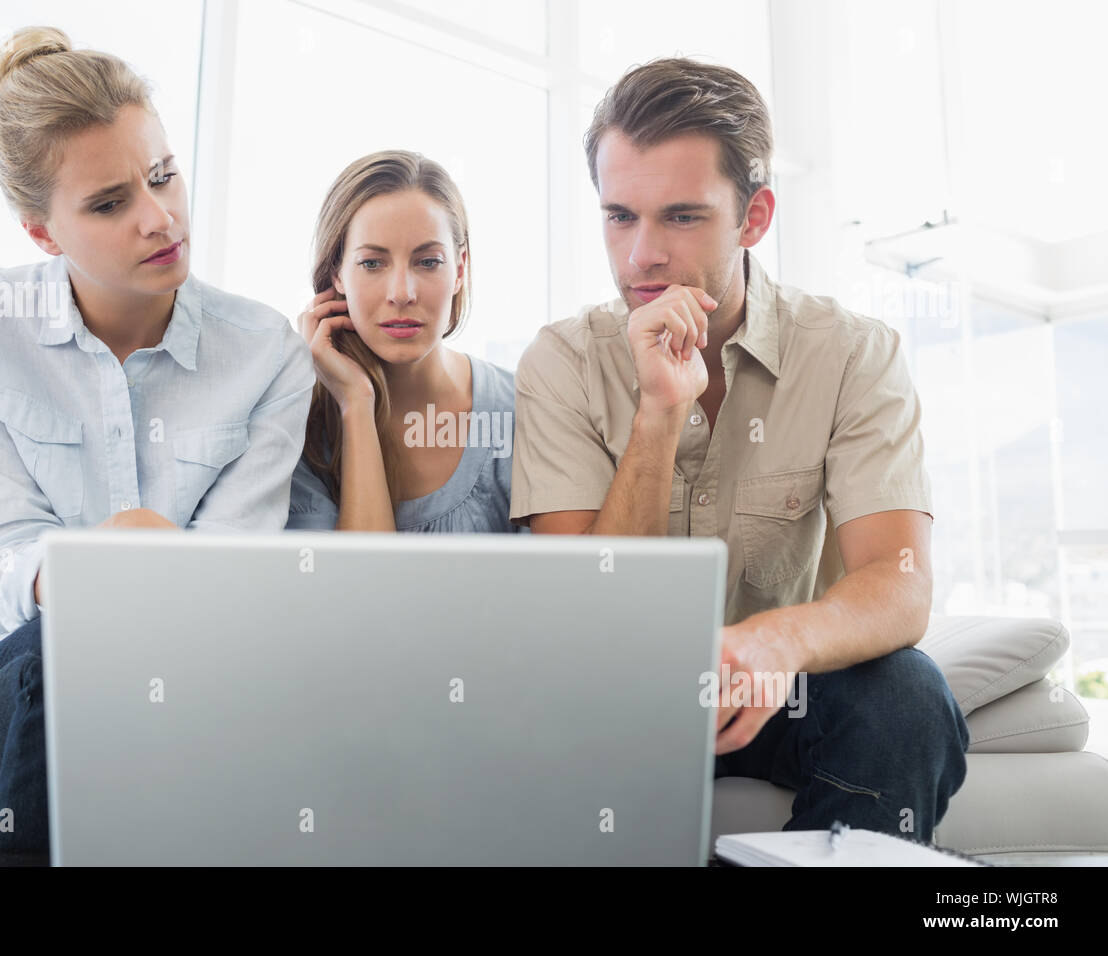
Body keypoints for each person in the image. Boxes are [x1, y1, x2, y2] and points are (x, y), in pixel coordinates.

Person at [510, 57, 969, 843]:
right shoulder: (562, 360)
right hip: (612, 695)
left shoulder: (854, 354)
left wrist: (770, 642)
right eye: (620, 216)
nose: (639, 256)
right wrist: (658, 410)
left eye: (680, 217)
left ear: (754, 218)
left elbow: (900, 586)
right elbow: (589, 608)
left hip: (783, 689)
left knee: (908, 697)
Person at [0, 26, 314, 853]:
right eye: (109, 203)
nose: (160, 219)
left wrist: (143, 577)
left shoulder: (267, 352)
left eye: (162, 176)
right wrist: (99, 569)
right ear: (41, 233)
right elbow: (2, 550)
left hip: (187, 677)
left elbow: (232, 574)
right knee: (78, 656)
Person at [285, 150, 523, 533]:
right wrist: (355, 404)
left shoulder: (521, 411)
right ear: (338, 274)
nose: (402, 293)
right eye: (372, 263)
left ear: (460, 270)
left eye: (427, 262)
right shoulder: (296, 429)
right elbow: (364, 586)